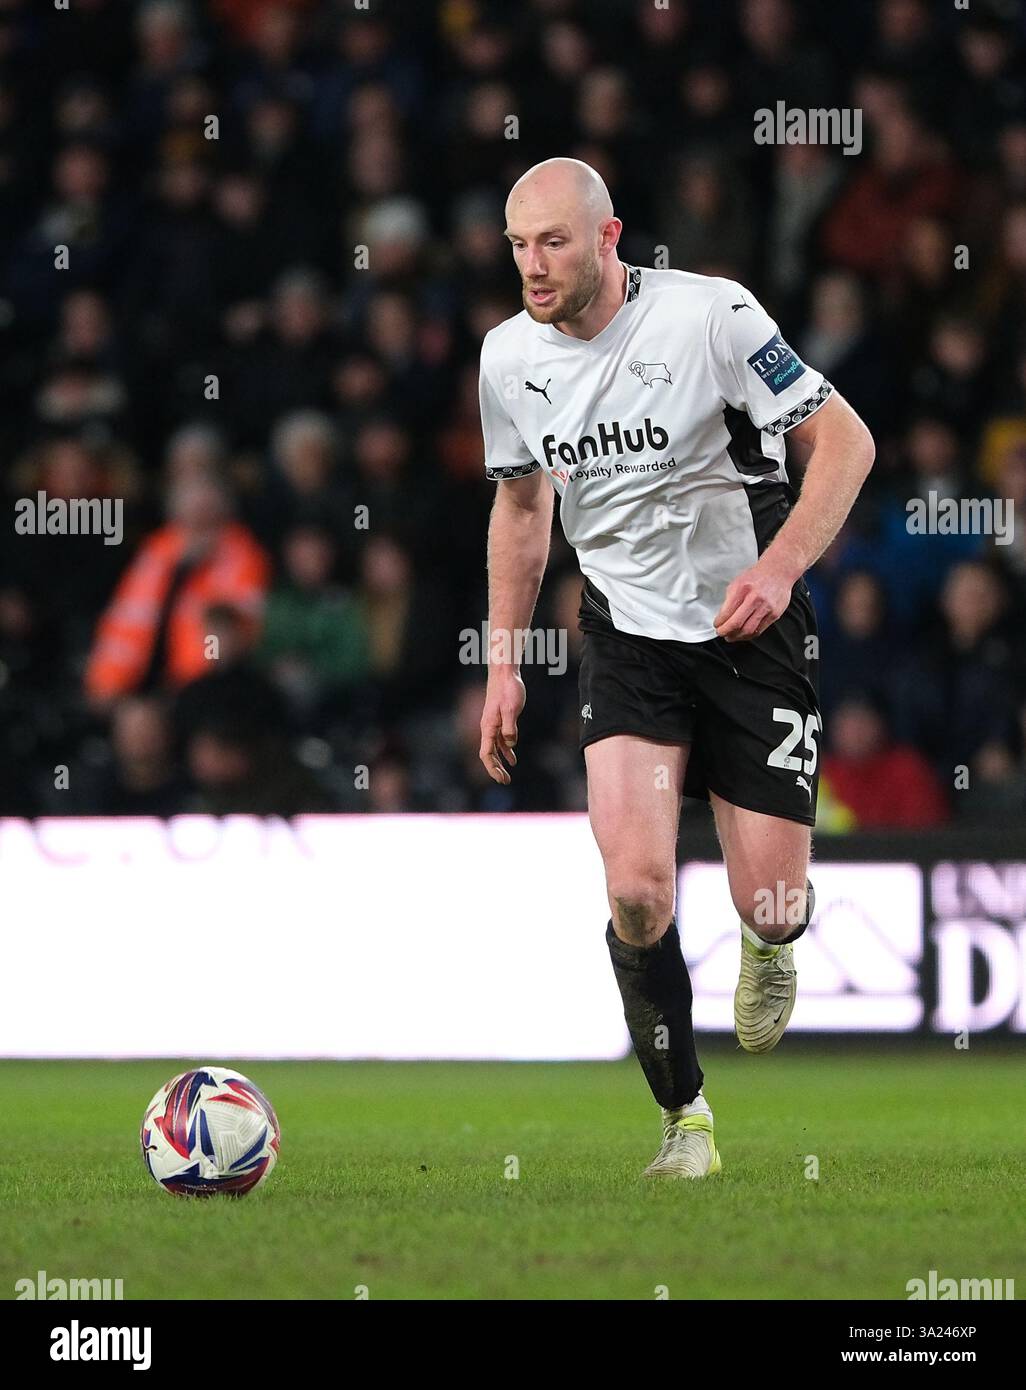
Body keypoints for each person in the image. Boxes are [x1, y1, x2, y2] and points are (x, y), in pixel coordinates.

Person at [477, 158, 875, 1179]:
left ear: (609, 240)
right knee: (639, 891)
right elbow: (524, 511)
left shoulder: (712, 318)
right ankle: (684, 1118)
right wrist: (506, 664)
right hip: (628, 640)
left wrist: (781, 570)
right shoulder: (507, 359)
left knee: (770, 902)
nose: (532, 263)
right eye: (518, 243)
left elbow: (846, 442)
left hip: (752, 632)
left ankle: (773, 940)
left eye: (553, 241)